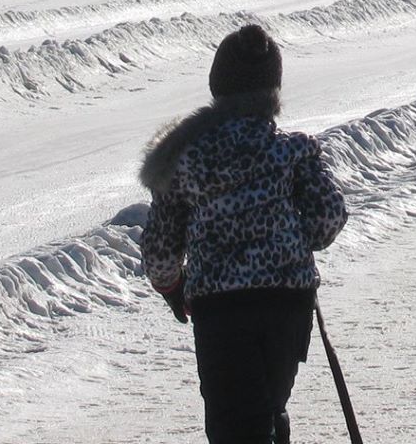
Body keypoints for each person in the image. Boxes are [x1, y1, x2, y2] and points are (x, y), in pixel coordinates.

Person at [143, 25, 347, 444]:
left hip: (220, 310)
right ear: (273, 88)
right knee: (268, 408)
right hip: (288, 302)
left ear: (216, 84)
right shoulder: (292, 150)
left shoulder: (184, 159)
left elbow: (160, 251)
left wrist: (173, 289)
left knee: (234, 425)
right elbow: (329, 217)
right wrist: (289, 237)